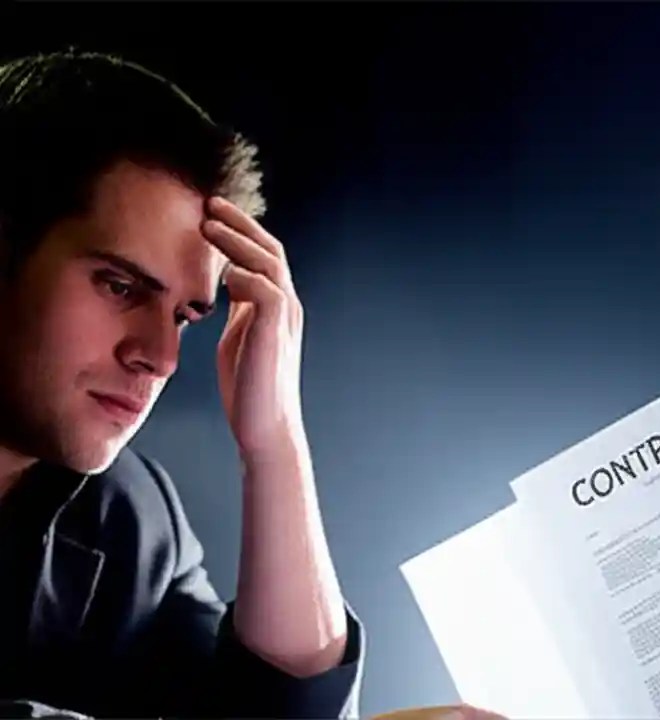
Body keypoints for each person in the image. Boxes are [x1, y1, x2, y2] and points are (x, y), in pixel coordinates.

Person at [0, 50, 411, 719]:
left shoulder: (134, 514)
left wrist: (275, 445)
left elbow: (284, 708)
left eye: (187, 316)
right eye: (120, 285)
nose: (160, 357)